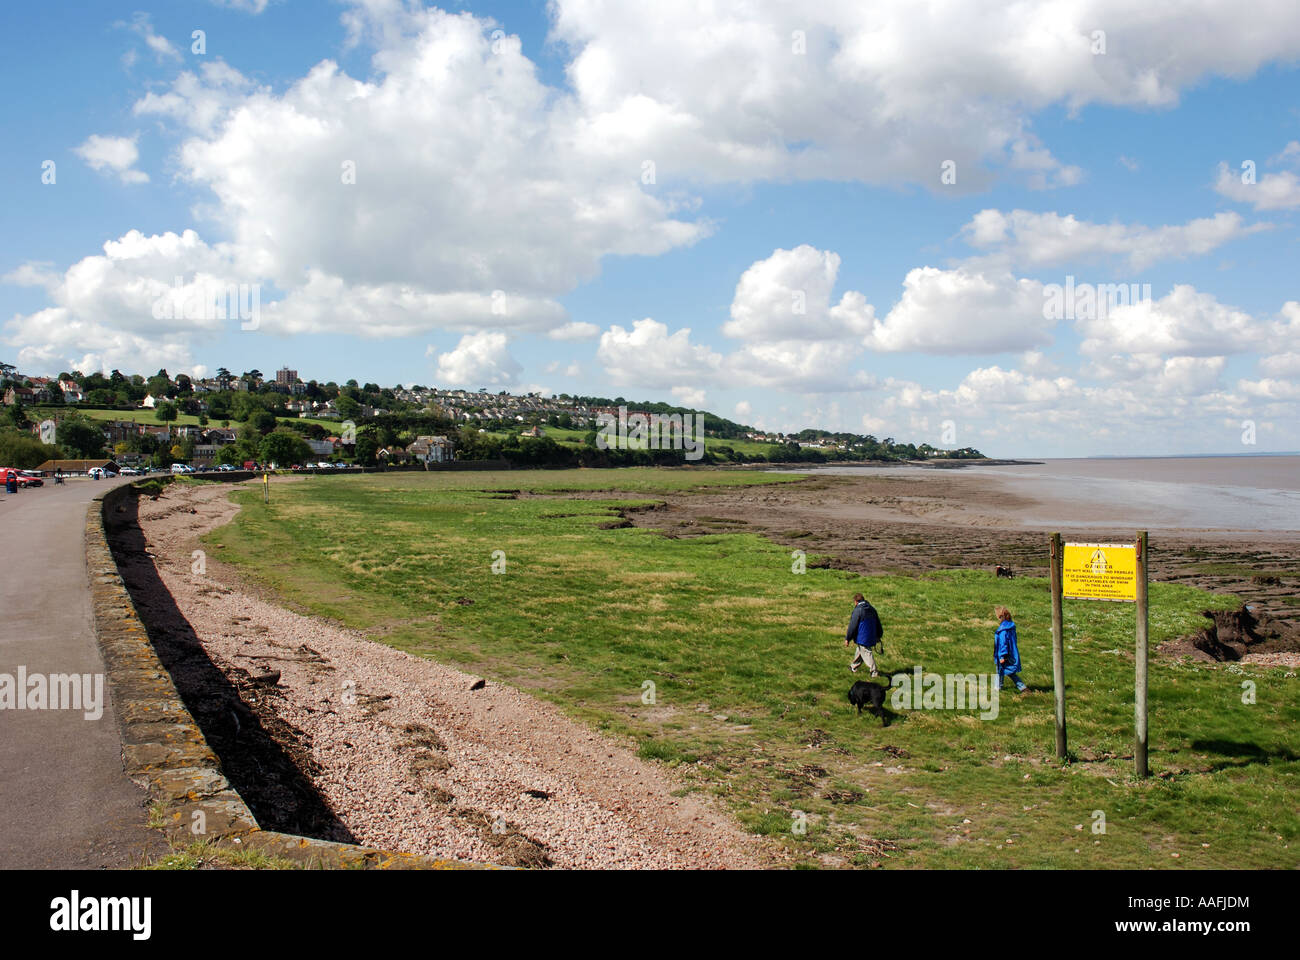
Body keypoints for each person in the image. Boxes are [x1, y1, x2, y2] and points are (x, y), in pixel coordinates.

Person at [844, 592, 883, 676]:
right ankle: (853, 667)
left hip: (863, 636)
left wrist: (847, 638)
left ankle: (874, 672)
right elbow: (878, 623)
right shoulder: (872, 609)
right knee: (860, 651)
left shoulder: (858, 610)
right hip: (872, 635)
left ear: (856, 602)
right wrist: (879, 635)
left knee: (866, 652)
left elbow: (852, 625)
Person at [994, 606, 1027, 692]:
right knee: (1007, 671)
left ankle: (998, 688)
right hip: (1011, 653)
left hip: (1004, 654)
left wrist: (1002, 656)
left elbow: (1003, 643)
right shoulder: (1010, 627)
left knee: (1001, 670)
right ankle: (1022, 687)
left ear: (1000, 616)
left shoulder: (1003, 630)